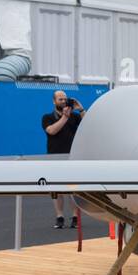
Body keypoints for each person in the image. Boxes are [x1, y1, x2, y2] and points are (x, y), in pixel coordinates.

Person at [42, 89, 84, 229]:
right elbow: (52, 131)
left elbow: (89, 123)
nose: (63, 101)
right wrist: (65, 117)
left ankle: (75, 217)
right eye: (60, 99)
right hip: (55, 157)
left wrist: (81, 109)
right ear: (54, 101)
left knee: (72, 189)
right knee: (56, 190)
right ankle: (59, 216)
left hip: (72, 157)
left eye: (65, 99)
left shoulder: (74, 116)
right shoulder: (47, 117)